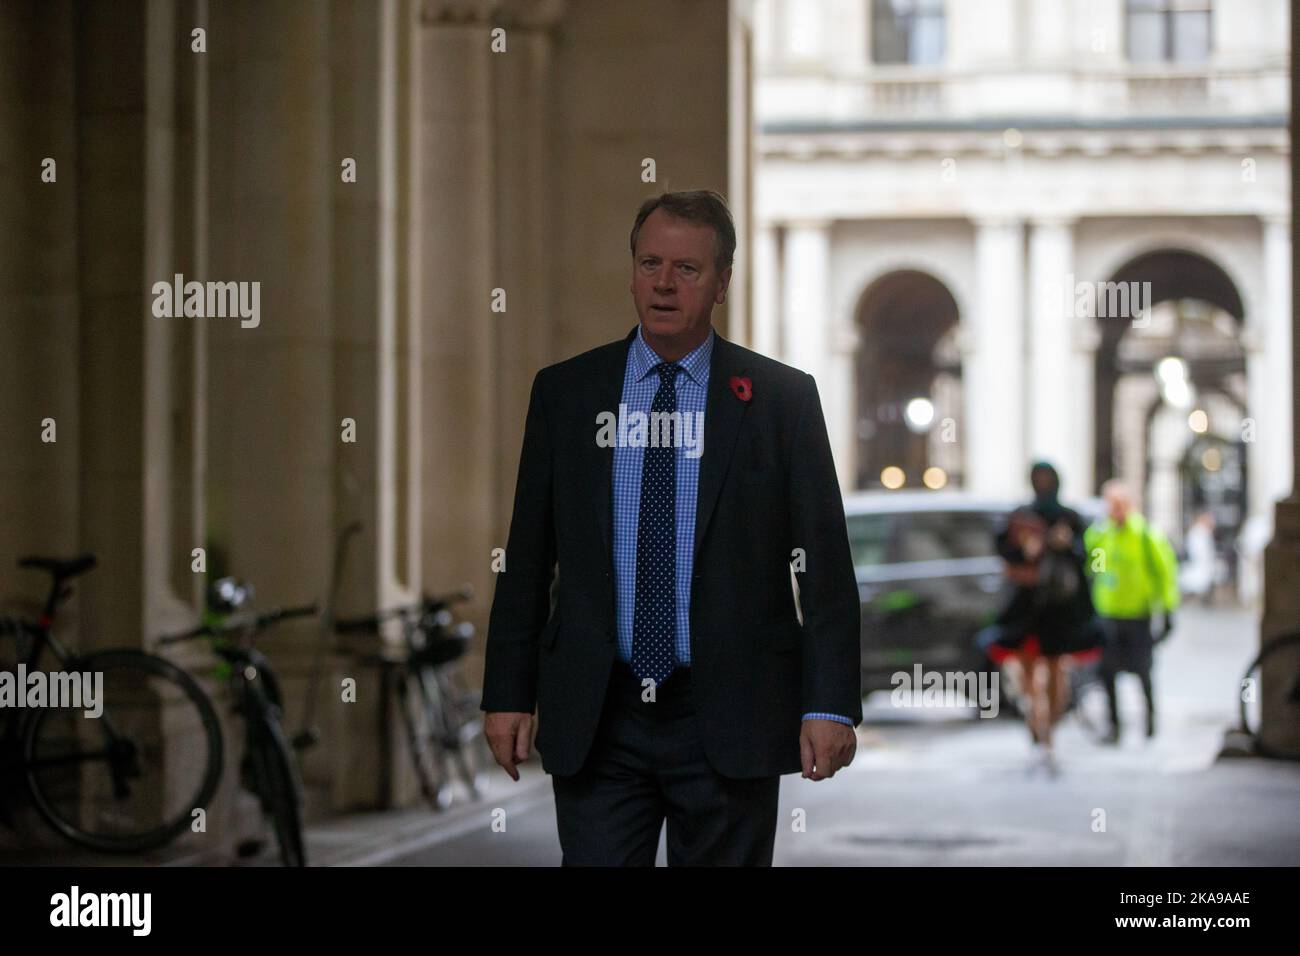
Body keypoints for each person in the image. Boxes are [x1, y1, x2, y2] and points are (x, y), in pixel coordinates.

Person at [480, 190, 862, 866]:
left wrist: (829, 704)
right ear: (631, 271)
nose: (663, 283)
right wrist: (508, 692)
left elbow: (824, 566)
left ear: (721, 284)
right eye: (649, 262)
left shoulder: (780, 401)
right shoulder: (568, 394)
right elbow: (528, 556)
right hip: (603, 714)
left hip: (728, 713)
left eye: (687, 269)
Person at [976, 462, 1101, 773]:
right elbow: (1004, 552)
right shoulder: (1021, 517)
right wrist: (1026, 551)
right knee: (1028, 669)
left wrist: (1065, 544)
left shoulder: (1069, 517)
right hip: (1027, 607)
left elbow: (1087, 557)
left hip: (1057, 607)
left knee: (1057, 669)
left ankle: (1047, 726)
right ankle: (1038, 722)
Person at [1083, 480, 1180, 743]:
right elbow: (1094, 567)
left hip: (1138, 614)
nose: (1115, 510)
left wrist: (1168, 610)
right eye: (1110, 505)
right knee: (1107, 672)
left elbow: (1165, 574)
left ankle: (1150, 721)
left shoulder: (1146, 535)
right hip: (1109, 614)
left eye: (1119, 504)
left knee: (1143, 671)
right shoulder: (1103, 535)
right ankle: (1113, 724)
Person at [1179, 510, 1217, 605]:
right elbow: (1200, 551)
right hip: (1199, 563)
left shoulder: (1201, 532)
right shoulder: (1199, 532)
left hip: (1203, 564)